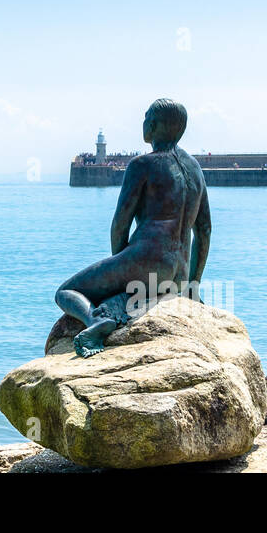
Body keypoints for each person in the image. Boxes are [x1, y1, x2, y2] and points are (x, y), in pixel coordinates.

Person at [54, 99, 211, 358]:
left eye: (147, 118)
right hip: (179, 274)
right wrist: (192, 285)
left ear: (155, 125)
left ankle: (94, 321)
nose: (144, 122)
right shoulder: (196, 170)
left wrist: (121, 266)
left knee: (66, 292)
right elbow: (204, 231)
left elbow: (120, 224)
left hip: (146, 263)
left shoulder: (142, 165)